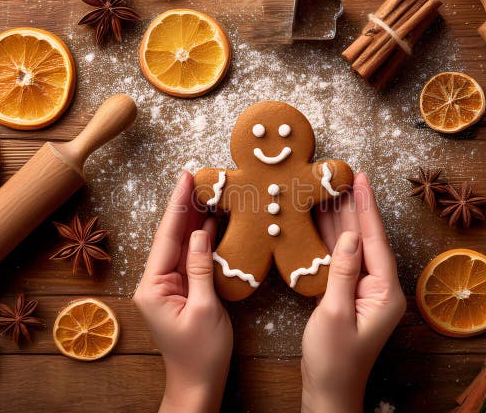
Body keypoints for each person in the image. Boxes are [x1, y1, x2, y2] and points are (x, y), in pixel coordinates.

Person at [133, 170, 407, 413]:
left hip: (298, 256)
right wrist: (335, 395)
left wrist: (190, 387)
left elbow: (328, 176)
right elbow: (212, 184)